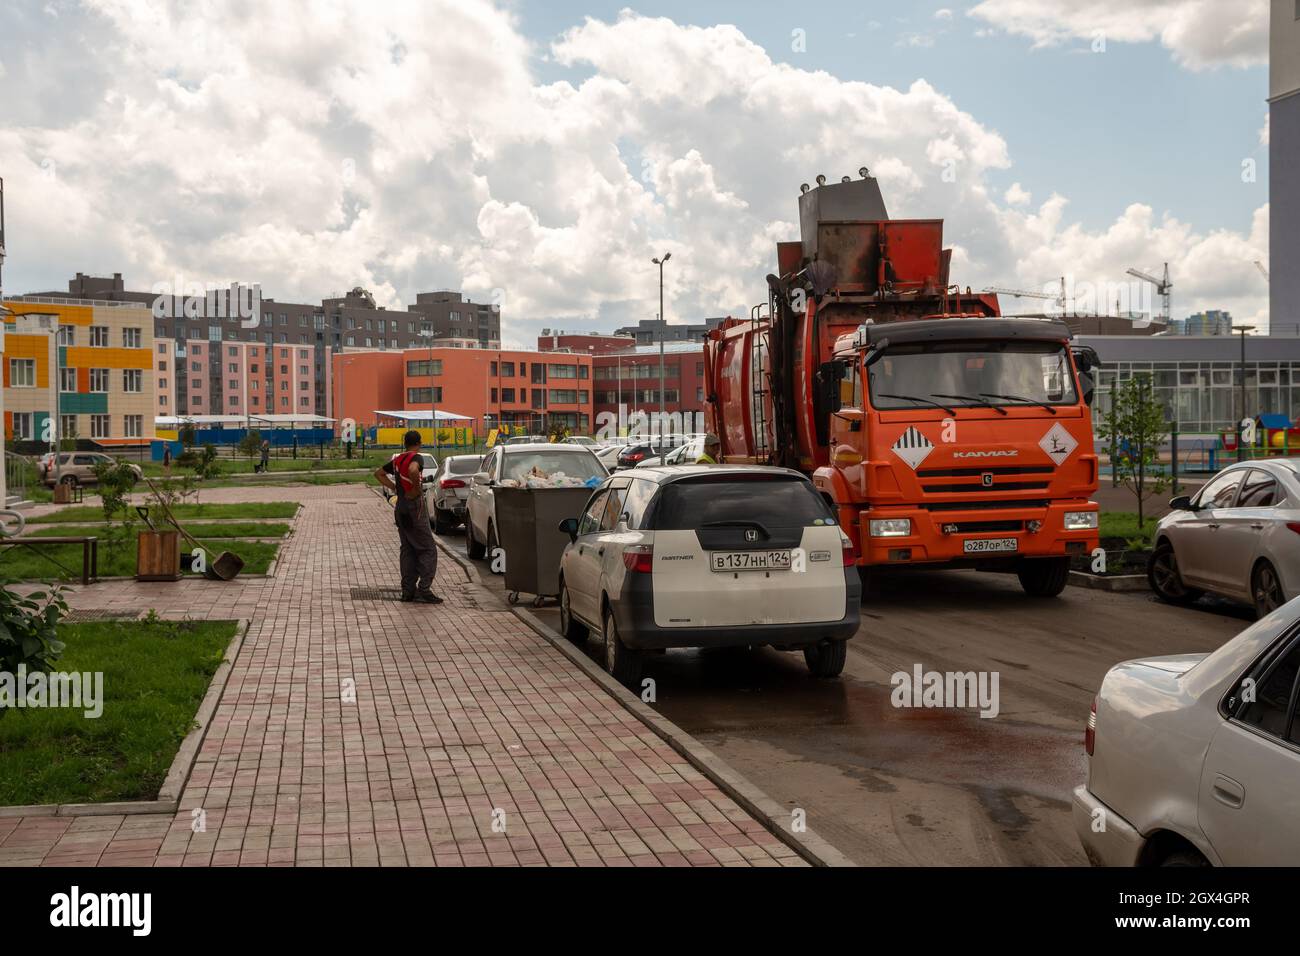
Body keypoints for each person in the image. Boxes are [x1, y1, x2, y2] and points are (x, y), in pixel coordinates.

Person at [374, 430, 443, 604]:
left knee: (408, 549)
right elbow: (413, 470)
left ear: (405, 443)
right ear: (419, 443)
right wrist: (415, 489)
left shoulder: (398, 460)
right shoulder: (416, 458)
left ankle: (408, 591)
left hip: (401, 508)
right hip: (414, 509)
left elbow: (378, 473)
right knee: (428, 549)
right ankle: (424, 589)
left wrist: (395, 488)